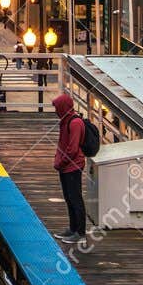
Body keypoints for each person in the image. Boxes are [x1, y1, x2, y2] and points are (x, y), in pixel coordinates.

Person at [52, 91, 87, 241]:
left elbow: (72, 148)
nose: (55, 111)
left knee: (75, 198)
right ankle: (73, 228)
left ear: (63, 107)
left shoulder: (75, 123)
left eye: (57, 107)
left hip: (73, 166)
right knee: (69, 197)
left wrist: (60, 162)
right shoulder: (65, 121)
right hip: (65, 166)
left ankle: (80, 232)